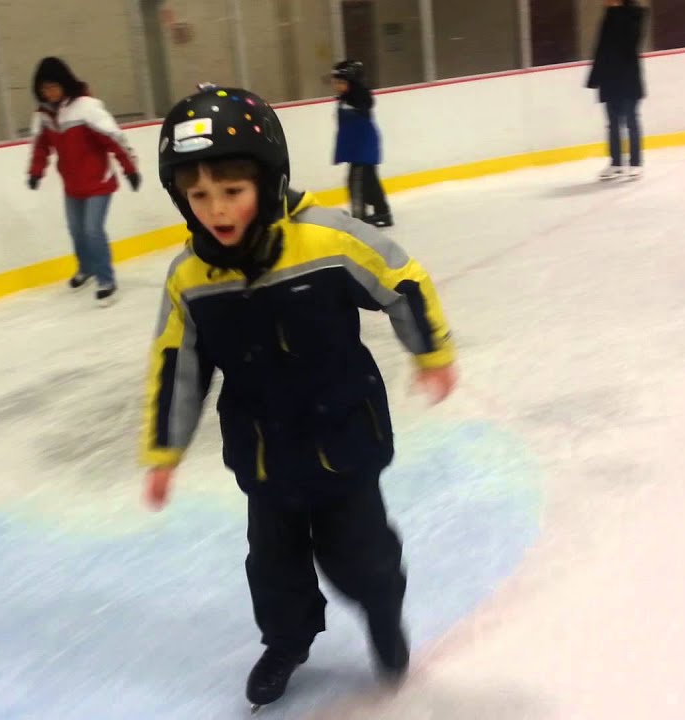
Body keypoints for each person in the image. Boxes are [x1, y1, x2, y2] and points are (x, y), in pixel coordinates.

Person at [139, 84, 458, 711]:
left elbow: (404, 283)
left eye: (231, 191)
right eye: (198, 195)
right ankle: (287, 641)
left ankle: (382, 615)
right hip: (264, 454)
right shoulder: (191, 277)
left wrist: (432, 353)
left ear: (267, 177)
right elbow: (176, 364)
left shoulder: (327, 240)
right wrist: (164, 451)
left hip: (344, 438)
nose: (217, 210)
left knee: (362, 558)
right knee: (274, 568)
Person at [27, 56, 140, 306]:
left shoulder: (86, 108)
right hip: (73, 185)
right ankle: (86, 268)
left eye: (54, 86)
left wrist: (130, 168)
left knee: (92, 231)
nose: (50, 92)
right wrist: (35, 172)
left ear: (65, 84)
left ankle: (106, 281)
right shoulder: (44, 115)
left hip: (99, 182)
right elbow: (40, 147)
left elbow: (113, 137)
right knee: (77, 231)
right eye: (44, 89)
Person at [586, 0, 647, 181]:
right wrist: (594, 78)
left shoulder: (635, 14)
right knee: (612, 123)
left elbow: (630, 43)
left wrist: (615, 13)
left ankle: (635, 163)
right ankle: (616, 163)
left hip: (628, 77)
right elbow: (601, 49)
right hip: (609, 78)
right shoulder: (609, 16)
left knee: (630, 120)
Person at [331, 60, 393, 227]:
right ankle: (382, 212)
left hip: (362, 148)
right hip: (358, 149)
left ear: (352, 83)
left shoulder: (358, 98)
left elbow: (365, 100)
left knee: (357, 183)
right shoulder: (345, 98)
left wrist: (354, 86)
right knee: (369, 182)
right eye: (336, 82)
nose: (336, 85)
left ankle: (360, 218)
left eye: (341, 82)